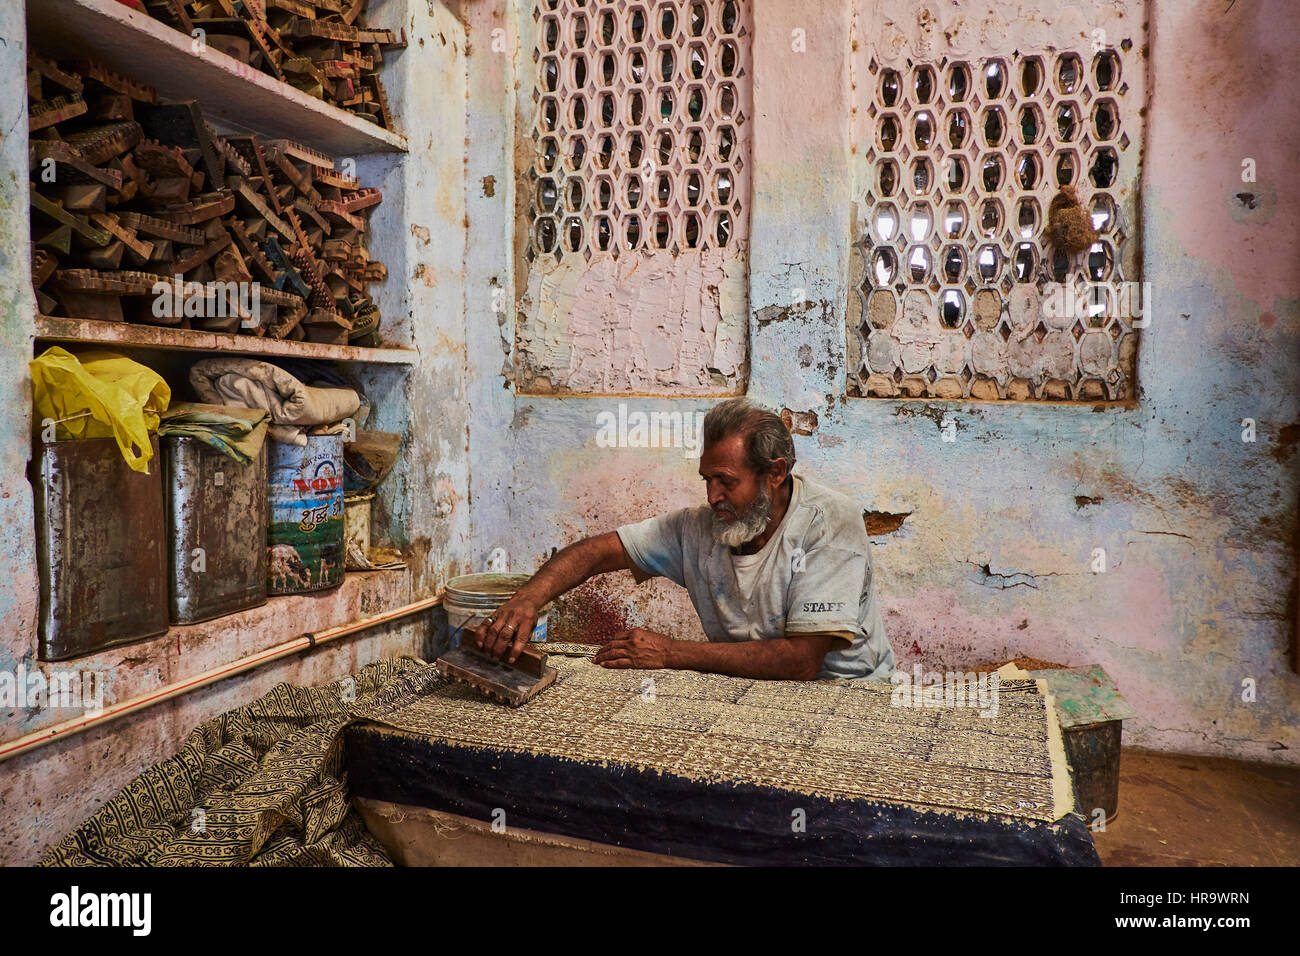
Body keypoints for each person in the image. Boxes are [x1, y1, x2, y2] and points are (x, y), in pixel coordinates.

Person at [468, 398, 895, 682]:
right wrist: (527, 600)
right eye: (707, 480)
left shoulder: (828, 522)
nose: (712, 497)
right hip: (752, 695)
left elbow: (801, 662)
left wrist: (671, 652)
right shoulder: (698, 528)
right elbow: (597, 552)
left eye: (726, 482)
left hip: (847, 700)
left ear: (775, 473)